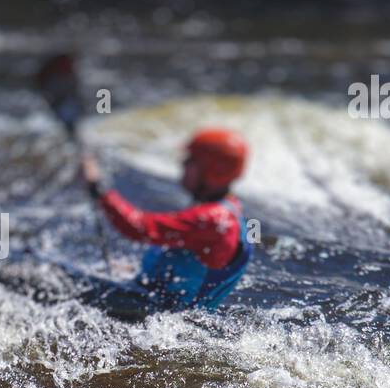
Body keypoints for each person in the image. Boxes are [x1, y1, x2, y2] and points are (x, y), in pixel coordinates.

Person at [63, 128, 252, 315]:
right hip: (163, 307)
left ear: (212, 172)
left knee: (52, 282)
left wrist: (96, 186)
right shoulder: (229, 210)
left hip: (165, 316)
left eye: (190, 161)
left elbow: (139, 227)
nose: (183, 164)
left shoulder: (213, 220)